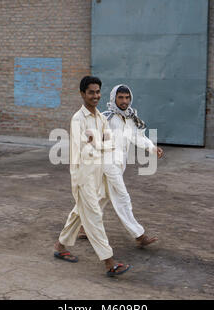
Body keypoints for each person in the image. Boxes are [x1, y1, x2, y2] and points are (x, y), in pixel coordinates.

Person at [54, 76, 132, 277]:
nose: (95, 96)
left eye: (98, 92)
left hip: (98, 174)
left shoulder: (100, 118)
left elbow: (110, 144)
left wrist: (96, 142)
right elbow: (86, 150)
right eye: (91, 92)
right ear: (82, 94)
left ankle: (60, 246)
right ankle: (109, 262)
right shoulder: (78, 119)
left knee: (79, 213)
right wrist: (99, 143)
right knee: (94, 216)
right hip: (83, 177)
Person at [78, 84, 164, 248]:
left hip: (119, 163)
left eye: (127, 97)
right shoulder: (106, 117)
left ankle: (82, 227)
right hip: (107, 163)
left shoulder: (131, 117)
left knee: (102, 196)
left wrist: (152, 148)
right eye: (121, 98)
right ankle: (139, 235)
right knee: (122, 197)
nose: (124, 101)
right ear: (113, 99)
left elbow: (138, 137)